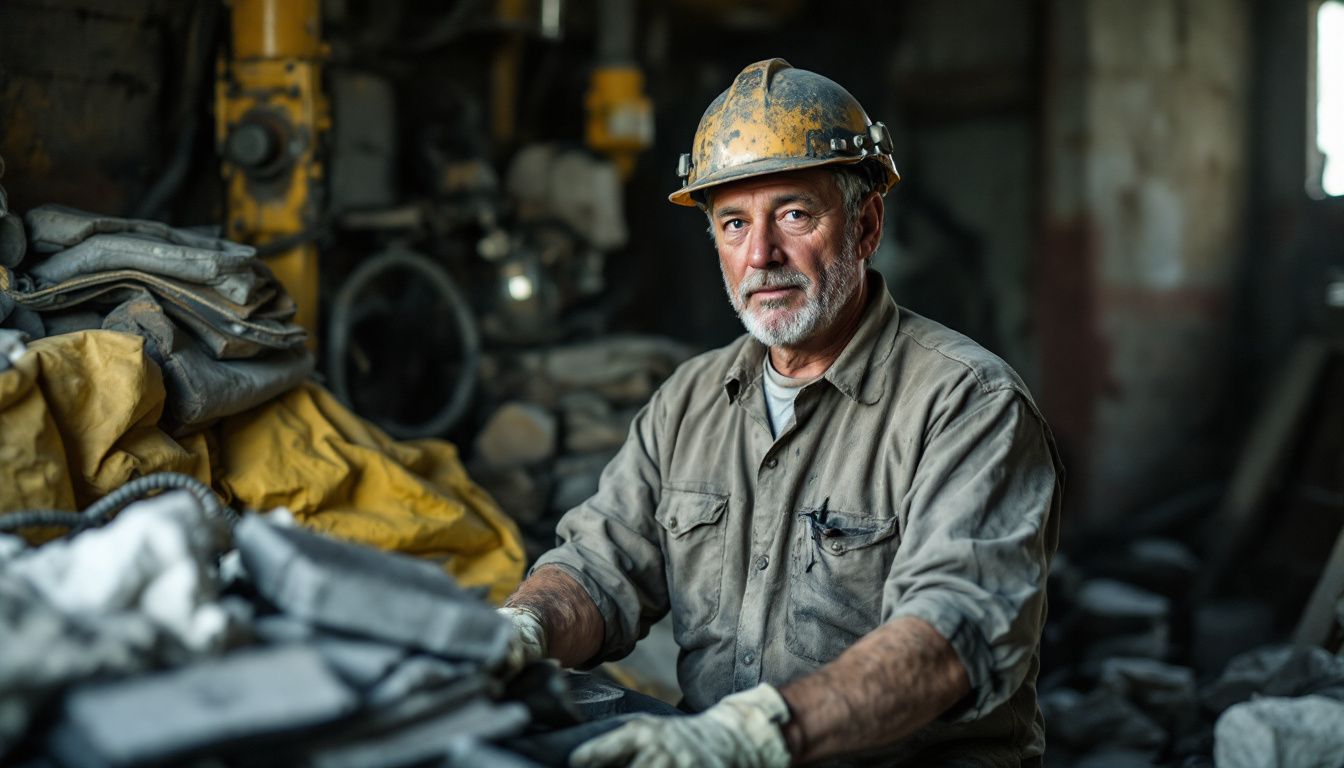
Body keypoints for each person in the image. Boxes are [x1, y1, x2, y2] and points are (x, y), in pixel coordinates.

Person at [498, 58, 1062, 767]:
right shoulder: (689, 401)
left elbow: (951, 637)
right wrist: (523, 627)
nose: (760, 254)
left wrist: (756, 735)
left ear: (866, 225)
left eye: (793, 213)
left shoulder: (967, 403)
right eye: (733, 223)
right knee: (508, 712)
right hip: (718, 752)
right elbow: (599, 567)